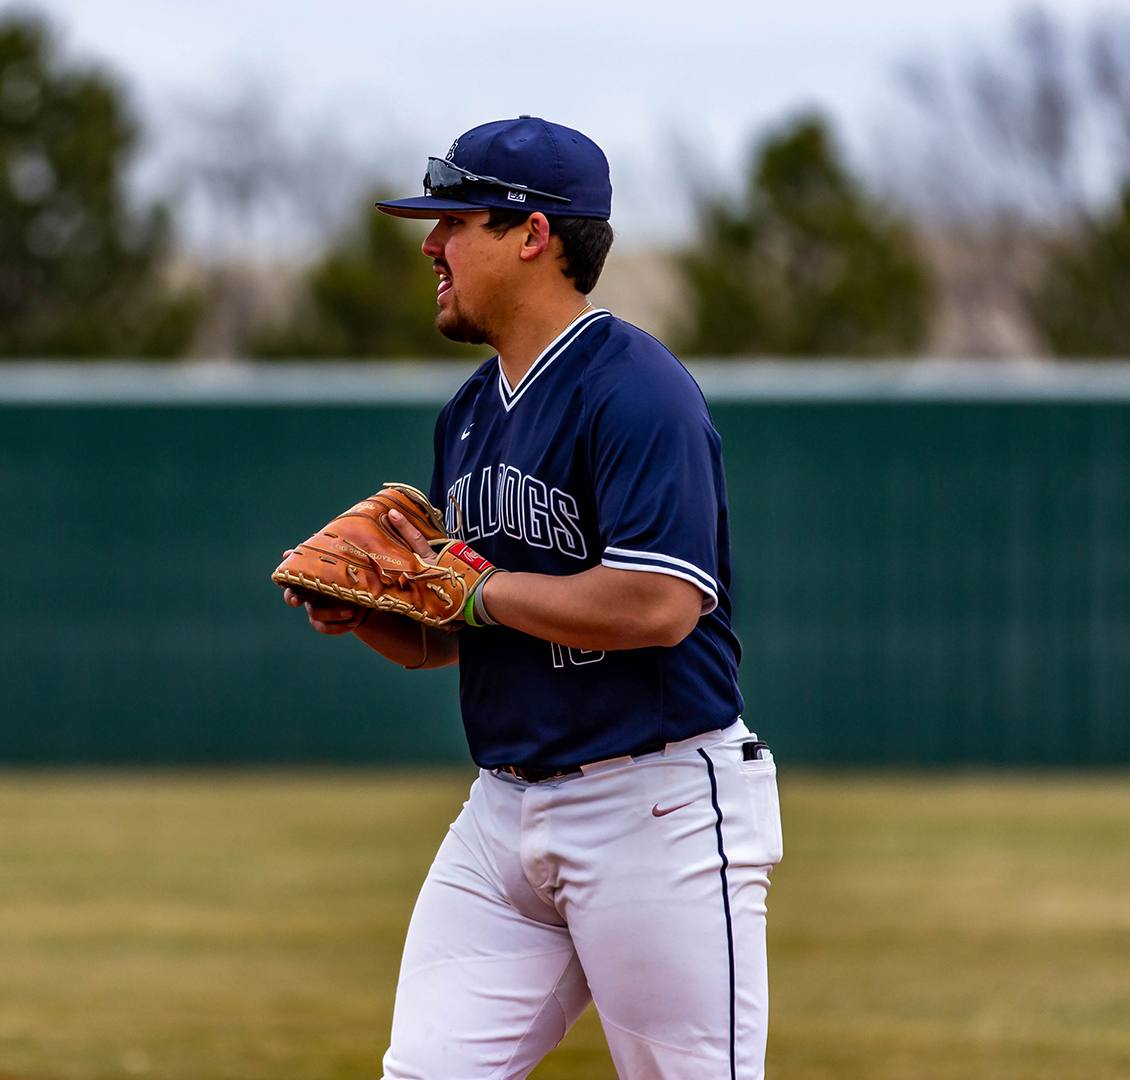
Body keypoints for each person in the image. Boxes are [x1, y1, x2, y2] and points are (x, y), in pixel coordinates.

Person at [282, 116, 782, 1080]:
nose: (431, 245)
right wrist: (381, 617)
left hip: (655, 807)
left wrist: (477, 592)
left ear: (533, 234)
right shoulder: (469, 414)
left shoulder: (636, 389)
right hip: (503, 812)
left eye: (454, 222)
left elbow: (659, 606)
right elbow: (463, 631)